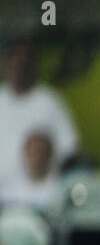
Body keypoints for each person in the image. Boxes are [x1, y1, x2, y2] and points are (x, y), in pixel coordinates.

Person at [0, 40, 80, 201]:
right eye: (15, 62)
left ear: (34, 66)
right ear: (7, 65)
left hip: (44, 198)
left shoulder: (50, 102)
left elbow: (70, 150)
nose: (20, 68)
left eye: (25, 64)